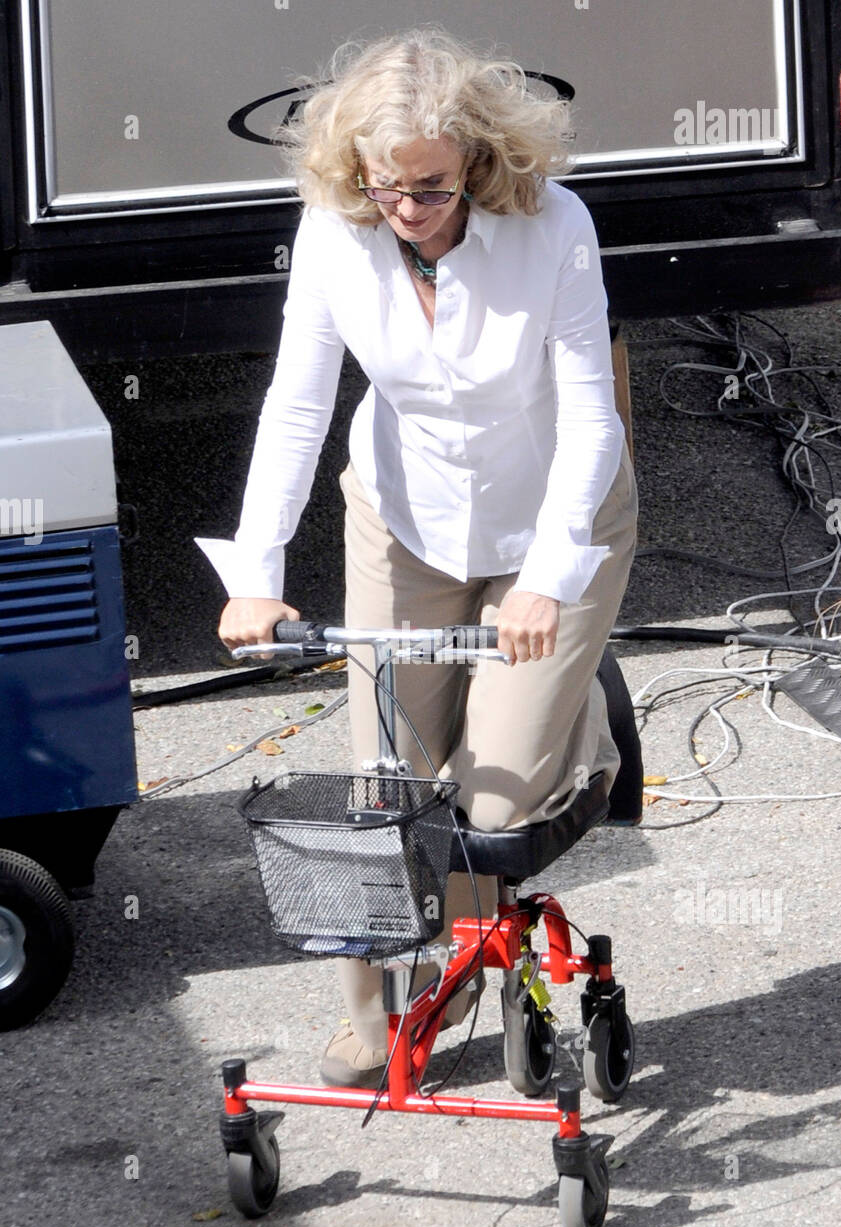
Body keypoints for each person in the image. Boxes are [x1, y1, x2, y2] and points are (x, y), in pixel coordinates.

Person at [200, 26, 639, 1087]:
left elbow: (589, 418)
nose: (405, 209)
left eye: (431, 189)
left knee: (489, 810)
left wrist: (542, 581)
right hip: (403, 519)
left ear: (477, 162)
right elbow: (298, 404)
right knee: (382, 795)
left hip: (553, 526)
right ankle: (381, 1018)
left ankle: (581, 705)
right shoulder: (334, 229)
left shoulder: (554, 228)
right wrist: (254, 571)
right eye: (384, 186)